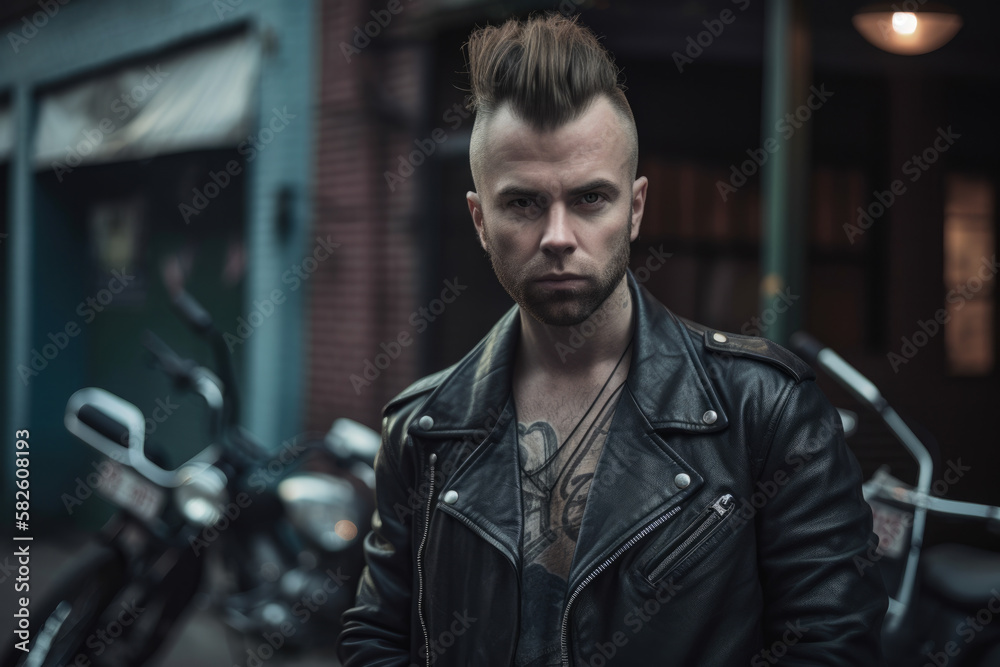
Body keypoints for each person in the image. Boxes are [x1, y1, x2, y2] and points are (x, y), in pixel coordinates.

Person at [337, 12, 888, 667]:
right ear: (480, 220)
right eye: (523, 204)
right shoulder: (423, 430)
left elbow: (833, 646)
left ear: (636, 208)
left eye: (591, 198)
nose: (559, 236)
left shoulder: (766, 411)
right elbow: (376, 639)